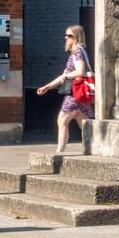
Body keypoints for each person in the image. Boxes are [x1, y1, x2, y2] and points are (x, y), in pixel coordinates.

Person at [36, 24, 92, 154]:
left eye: (70, 35)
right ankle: (91, 149)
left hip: (75, 93)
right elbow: (63, 77)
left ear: (77, 37)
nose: (66, 38)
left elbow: (80, 71)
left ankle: (59, 152)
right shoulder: (76, 52)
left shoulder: (77, 52)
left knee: (62, 120)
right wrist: (47, 87)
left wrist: (67, 75)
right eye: (66, 35)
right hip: (81, 94)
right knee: (85, 124)